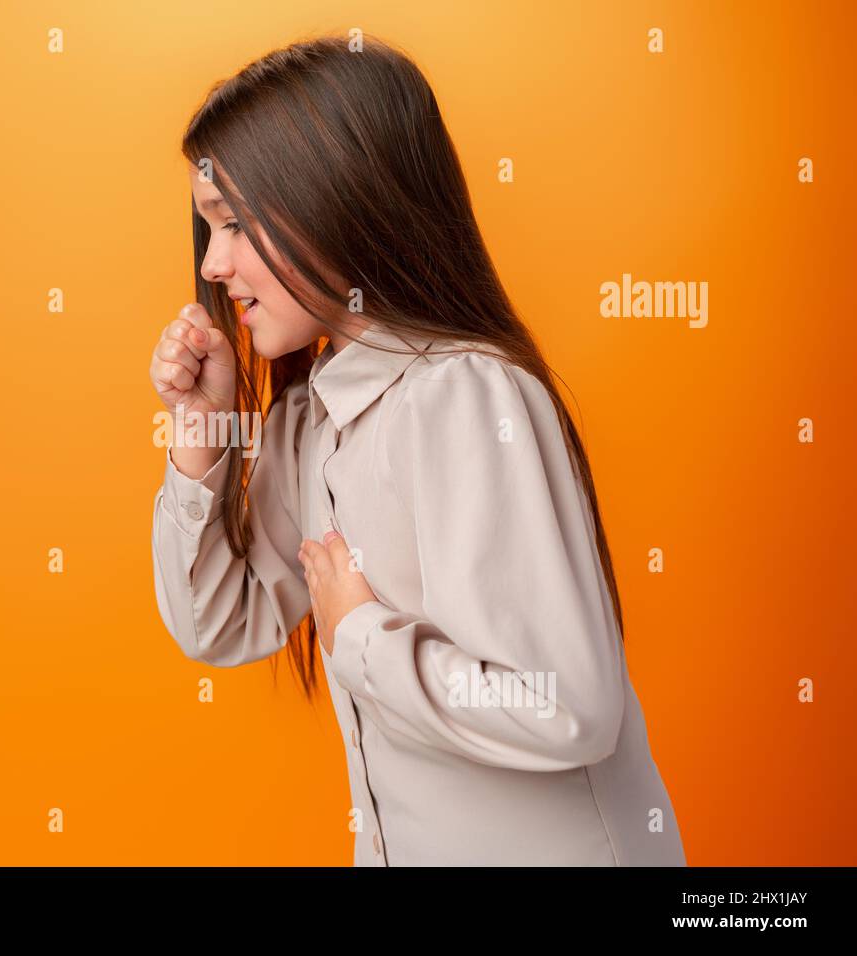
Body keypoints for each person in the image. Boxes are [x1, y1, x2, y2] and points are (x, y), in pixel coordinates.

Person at [149, 35, 686, 866]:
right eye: (206, 227)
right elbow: (222, 626)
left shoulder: (466, 396)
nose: (213, 263)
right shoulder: (308, 421)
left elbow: (571, 707)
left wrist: (360, 634)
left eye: (234, 221)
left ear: (337, 197)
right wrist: (200, 431)